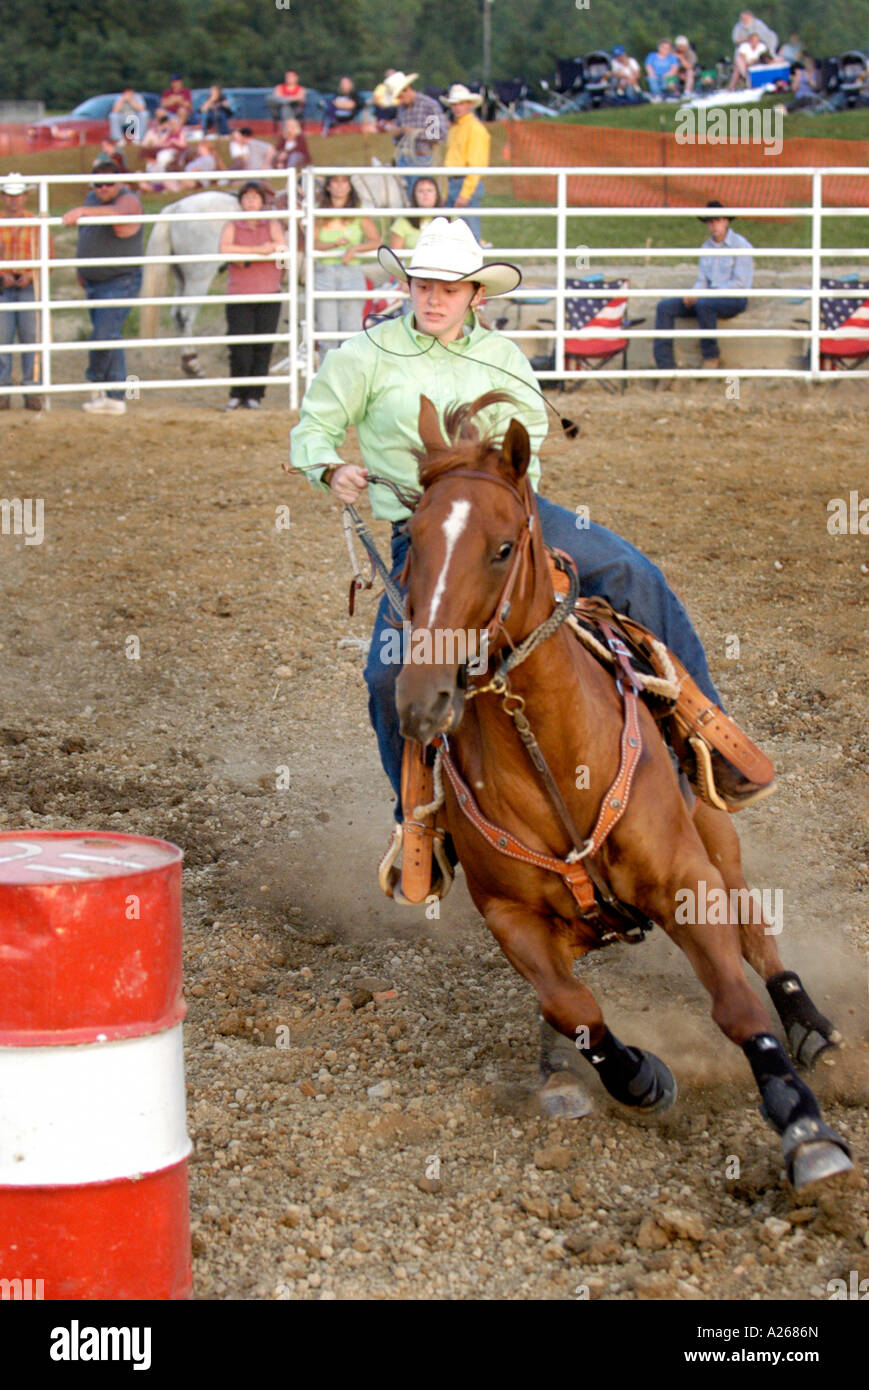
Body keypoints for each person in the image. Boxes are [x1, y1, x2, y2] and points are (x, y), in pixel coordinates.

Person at [290, 217, 769, 827]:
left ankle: (709, 728)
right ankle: (416, 817)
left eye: (450, 288)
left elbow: (529, 437)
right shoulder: (365, 355)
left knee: (630, 570)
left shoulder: (502, 356)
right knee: (389, 677)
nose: (434, 298)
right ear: (408, 287)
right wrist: (330, 469)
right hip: (427, 533)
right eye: (424, 285)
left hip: (514, 523)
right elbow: (314, 428)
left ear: (476, 296)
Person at [62, 156, 143, 415]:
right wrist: (81, 267)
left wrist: (83, 212)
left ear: (118, 182)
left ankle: (99, 383)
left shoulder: (128, 199)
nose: (103, 188)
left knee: (103, 335)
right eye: (98, 184)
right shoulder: (92, 200)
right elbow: (87, 235)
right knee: (109, 335)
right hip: (95, 281)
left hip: (120, 280)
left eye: (108, 183)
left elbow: (121, 217)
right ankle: (113, 395)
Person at [653, 200, 753, 380]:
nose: (714, 225)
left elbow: (740, 283)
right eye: (710, 221)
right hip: (708, 298)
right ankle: (665, 368)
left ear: (726, 221)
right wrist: (694, 292)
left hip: (733, 298)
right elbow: (703, 280)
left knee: (704, 304)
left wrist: (705, 294)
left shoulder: (741, 245)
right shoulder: (706, 247)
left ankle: (711, 356)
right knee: (665, 307)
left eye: (718, 221)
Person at [218, 181, 286, 411]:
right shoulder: (232, 225)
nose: (251, 202)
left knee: (262, 345)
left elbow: (281, 247)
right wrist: (259, 250)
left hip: (269, 292)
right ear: (241, 202)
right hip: (240, 293)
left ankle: (255, 395)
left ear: (262, 202)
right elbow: (225, 250)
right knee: (239, 345)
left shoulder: (272, 224)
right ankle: (237, 393)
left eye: (255, 198)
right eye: (246, 198)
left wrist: (246, 253)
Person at [312, 174, 380, 362]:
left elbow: (375, 240)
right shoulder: (319, 212)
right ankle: (328, 380)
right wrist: (333, 245)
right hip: (325, 273)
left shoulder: (359, 211)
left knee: (350, 331)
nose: (340, 186)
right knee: (327, 331)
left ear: (350, 186)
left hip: (351, 272)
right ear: (328, 186)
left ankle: (349, 380)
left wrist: (355, 248)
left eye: (344, 182)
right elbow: (312, 242)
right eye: (336, 182)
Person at [0, 173, 51, 411]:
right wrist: (4, 275)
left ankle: (32, 389)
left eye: (17, 196)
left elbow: (48, 257)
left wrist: (31, 274)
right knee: (2, 339)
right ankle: (4, 389)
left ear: (25, 196)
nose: (14, 201)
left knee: (32, 338)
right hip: (3, 286)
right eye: (9, 196)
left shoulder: (36, 222)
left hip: (29, 285)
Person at [442, 83, 490, 245]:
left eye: (460, 103)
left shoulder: (475, 129)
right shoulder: (456, 128)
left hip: (465, 182)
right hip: (454, 181)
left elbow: (476, 164)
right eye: (454, 104)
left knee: (470, 231)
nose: (456, 108)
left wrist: (465, 193)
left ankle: (477, 264)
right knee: (455, 228)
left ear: (469, 104)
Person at [377, 71, 447, 173]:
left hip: (422, 158)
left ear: (407, 89)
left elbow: (439, 135)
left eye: (400, 97)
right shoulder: (402, 108)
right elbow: (398, 137)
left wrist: (413, 132)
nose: (399, 101)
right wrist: (398, 133)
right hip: (403, 158)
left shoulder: (428, 105)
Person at [388, 175, 441, 252]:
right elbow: (394, 258)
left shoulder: (450, 219)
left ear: (436, 195)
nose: (425, 194)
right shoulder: (404, 221)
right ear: (414, 196)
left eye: (429, 190)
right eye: (420, 191)